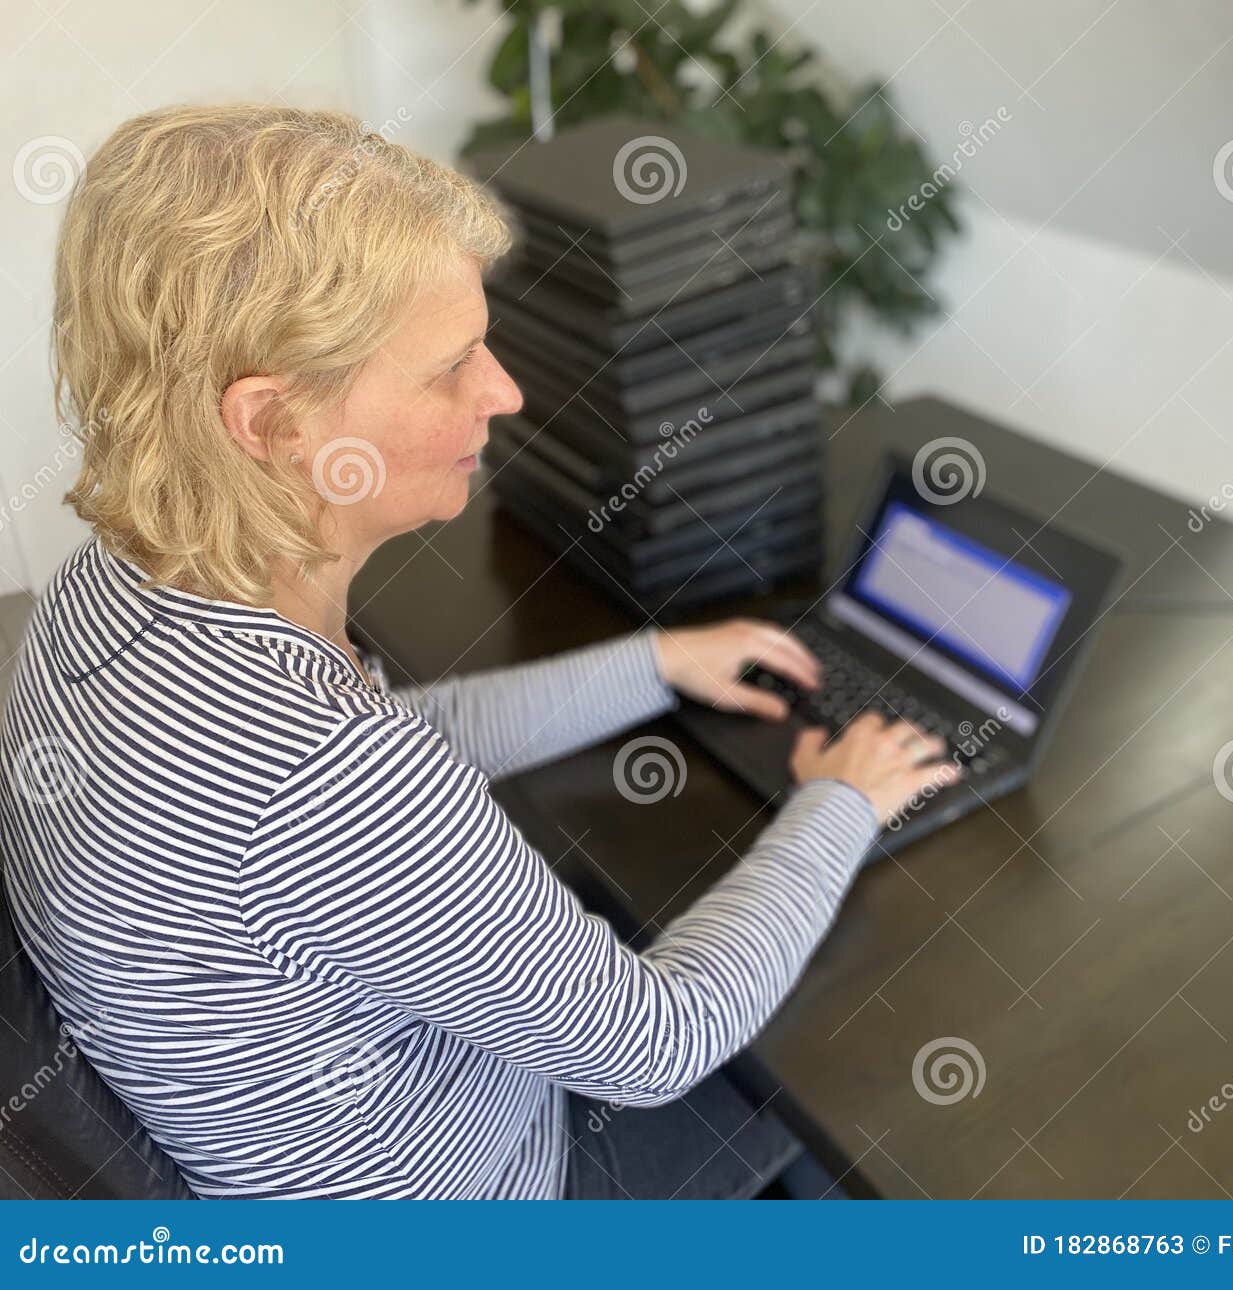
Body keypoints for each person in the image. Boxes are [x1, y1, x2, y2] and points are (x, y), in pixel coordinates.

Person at [0, 104, 959, 1199]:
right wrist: (837, 801)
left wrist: (652, 664)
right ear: (271, 424)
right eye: (449, 365)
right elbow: (658, 1042)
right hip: (498, 1196)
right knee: (849, 1105)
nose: (501, 391)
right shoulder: (325, 775)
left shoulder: (97, 593)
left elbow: (391, 753)